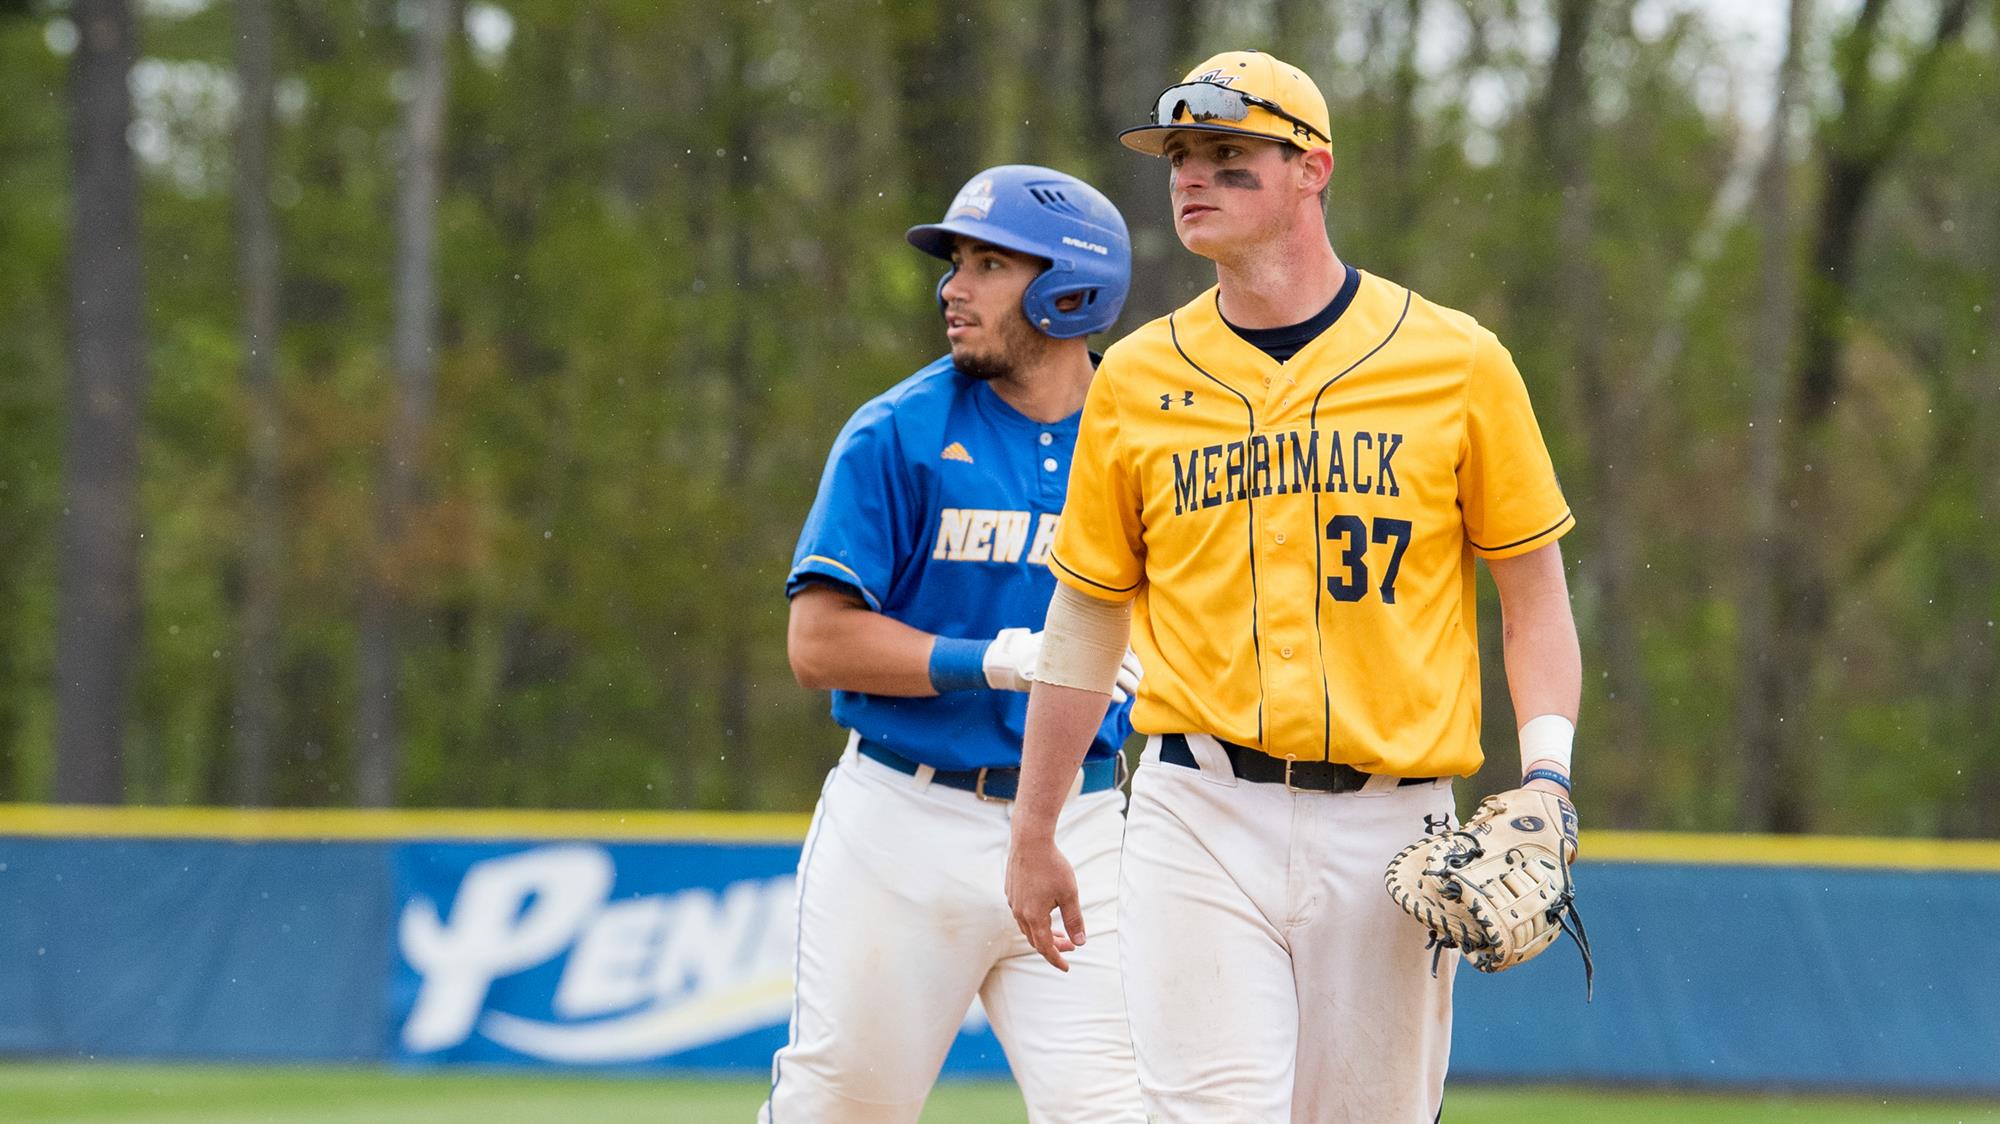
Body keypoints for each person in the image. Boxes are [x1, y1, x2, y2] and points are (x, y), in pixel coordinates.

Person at [1003, 50, 1584, 1122]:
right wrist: (1034, 826)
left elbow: (1533, 596)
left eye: (1228, 153)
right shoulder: (1136, 376)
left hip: (1391, 827)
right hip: (1197, 808)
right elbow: (1085, 614)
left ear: (1312, 168)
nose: (1192, 175)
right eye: (1180, 155)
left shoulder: (1455, 362)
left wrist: (1547, 776)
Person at [762, 165, 1146, 1124]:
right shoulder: (898, 431)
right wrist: (992, 659)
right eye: (955, 263)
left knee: (1121, 1111)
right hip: (905, 821)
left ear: (1072, 288)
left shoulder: (1147, 435)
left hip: (1083, 824)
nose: (953, 288)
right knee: (839, 1111)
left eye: (988, 264)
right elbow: (816, 644)